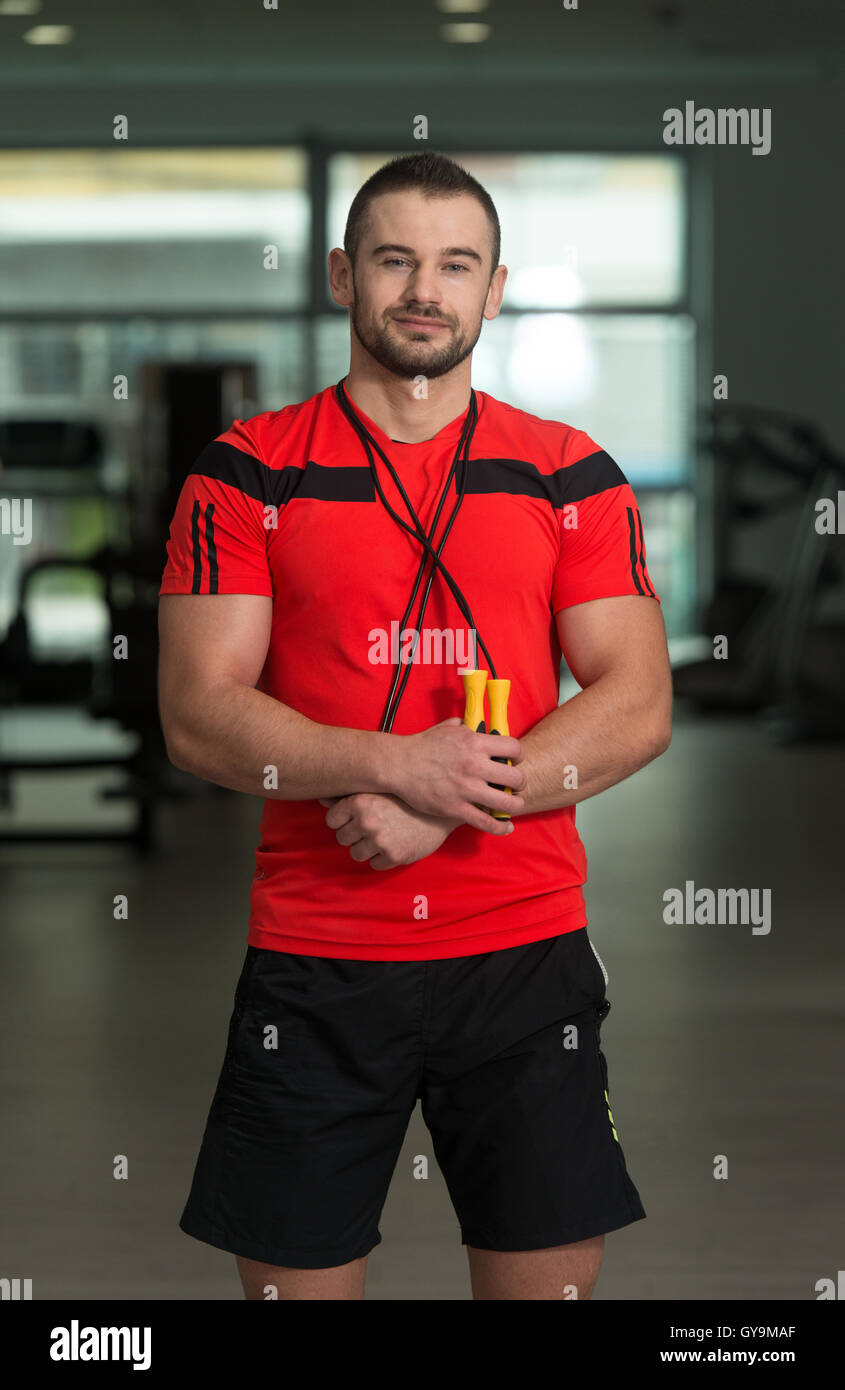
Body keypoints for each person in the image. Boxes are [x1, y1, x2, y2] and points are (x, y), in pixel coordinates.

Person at [157, 150, 672, 1301]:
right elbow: (197, 716)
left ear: (494, 290)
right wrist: (401, 764)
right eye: (394, 260)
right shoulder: (245, 474)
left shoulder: (567, 473)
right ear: (343, 275)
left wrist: (445, 806)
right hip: (316, 963)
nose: (423, 289)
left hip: (522, 953)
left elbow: (634, 705)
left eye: (455, 265)